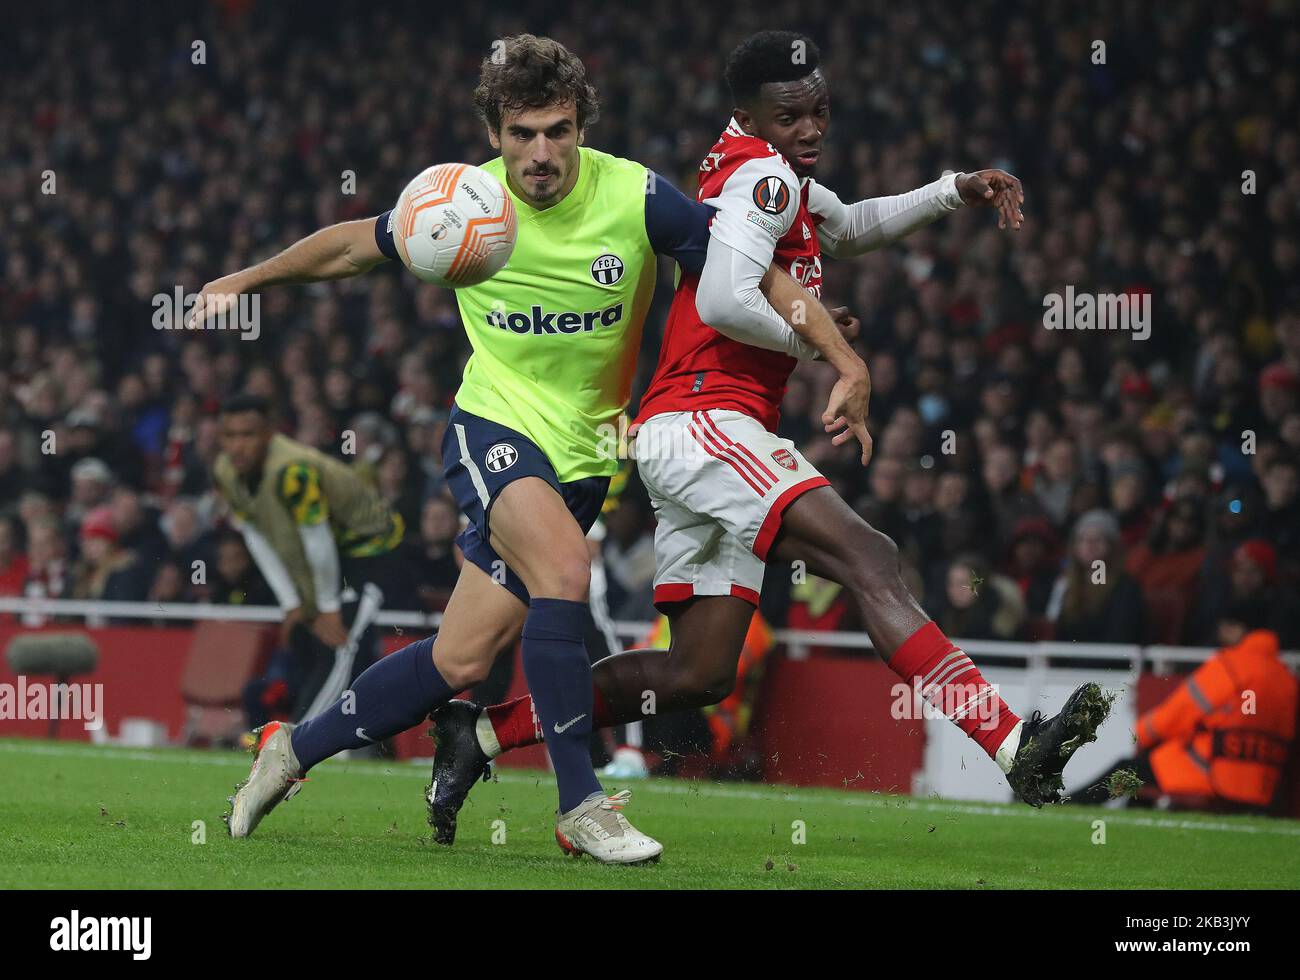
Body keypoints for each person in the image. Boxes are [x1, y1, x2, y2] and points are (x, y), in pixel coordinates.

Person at [428, 31, 1112, 843]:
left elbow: (848, 226)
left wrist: (950, 190)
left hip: (688, 434)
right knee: (871, 556)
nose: (812, 128)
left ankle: (479, 734)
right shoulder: (761, 179)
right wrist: (829, 350)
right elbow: (721, 300)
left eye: (819, 110)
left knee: (698, 672)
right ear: (750, 115)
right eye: (791, 115)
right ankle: (1011, 743)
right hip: (704, 418)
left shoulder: (762, 173)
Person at [201, 34, 826, 863]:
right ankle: (581, 804)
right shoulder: (460, 205)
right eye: (522, 132)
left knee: (459, 657)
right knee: (568, 572)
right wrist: (245, 280)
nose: (541, 152)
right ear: (495, 132)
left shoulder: (638, 198)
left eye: (558, 131)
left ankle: (291, 748)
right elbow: (355, 244)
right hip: (491, 429)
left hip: (590, 454)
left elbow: (749, 265)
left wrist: (825, 341)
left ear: (580, 127)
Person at [212, 394, 410, 720]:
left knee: (340, 643)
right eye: (230, 436)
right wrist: (290, 602)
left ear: (269, 435)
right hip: (324, 556)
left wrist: (329, 608)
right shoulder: (226, 470)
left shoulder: (294, 472)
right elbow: (254, 532)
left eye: (248, 435)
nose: (237, 446)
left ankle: (297, 746)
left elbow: (317, 539)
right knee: (308, 638)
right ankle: (366, 745)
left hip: (372, 549)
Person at [1068, 602, 1297, 811]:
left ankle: (1070, 805)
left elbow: (1178, 713)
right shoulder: (1287, 677)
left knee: (1129, 769)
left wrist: (1143, 735)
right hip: (1263, 785)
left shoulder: (1228, 665)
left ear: (1236, 628)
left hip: (1213, 770)